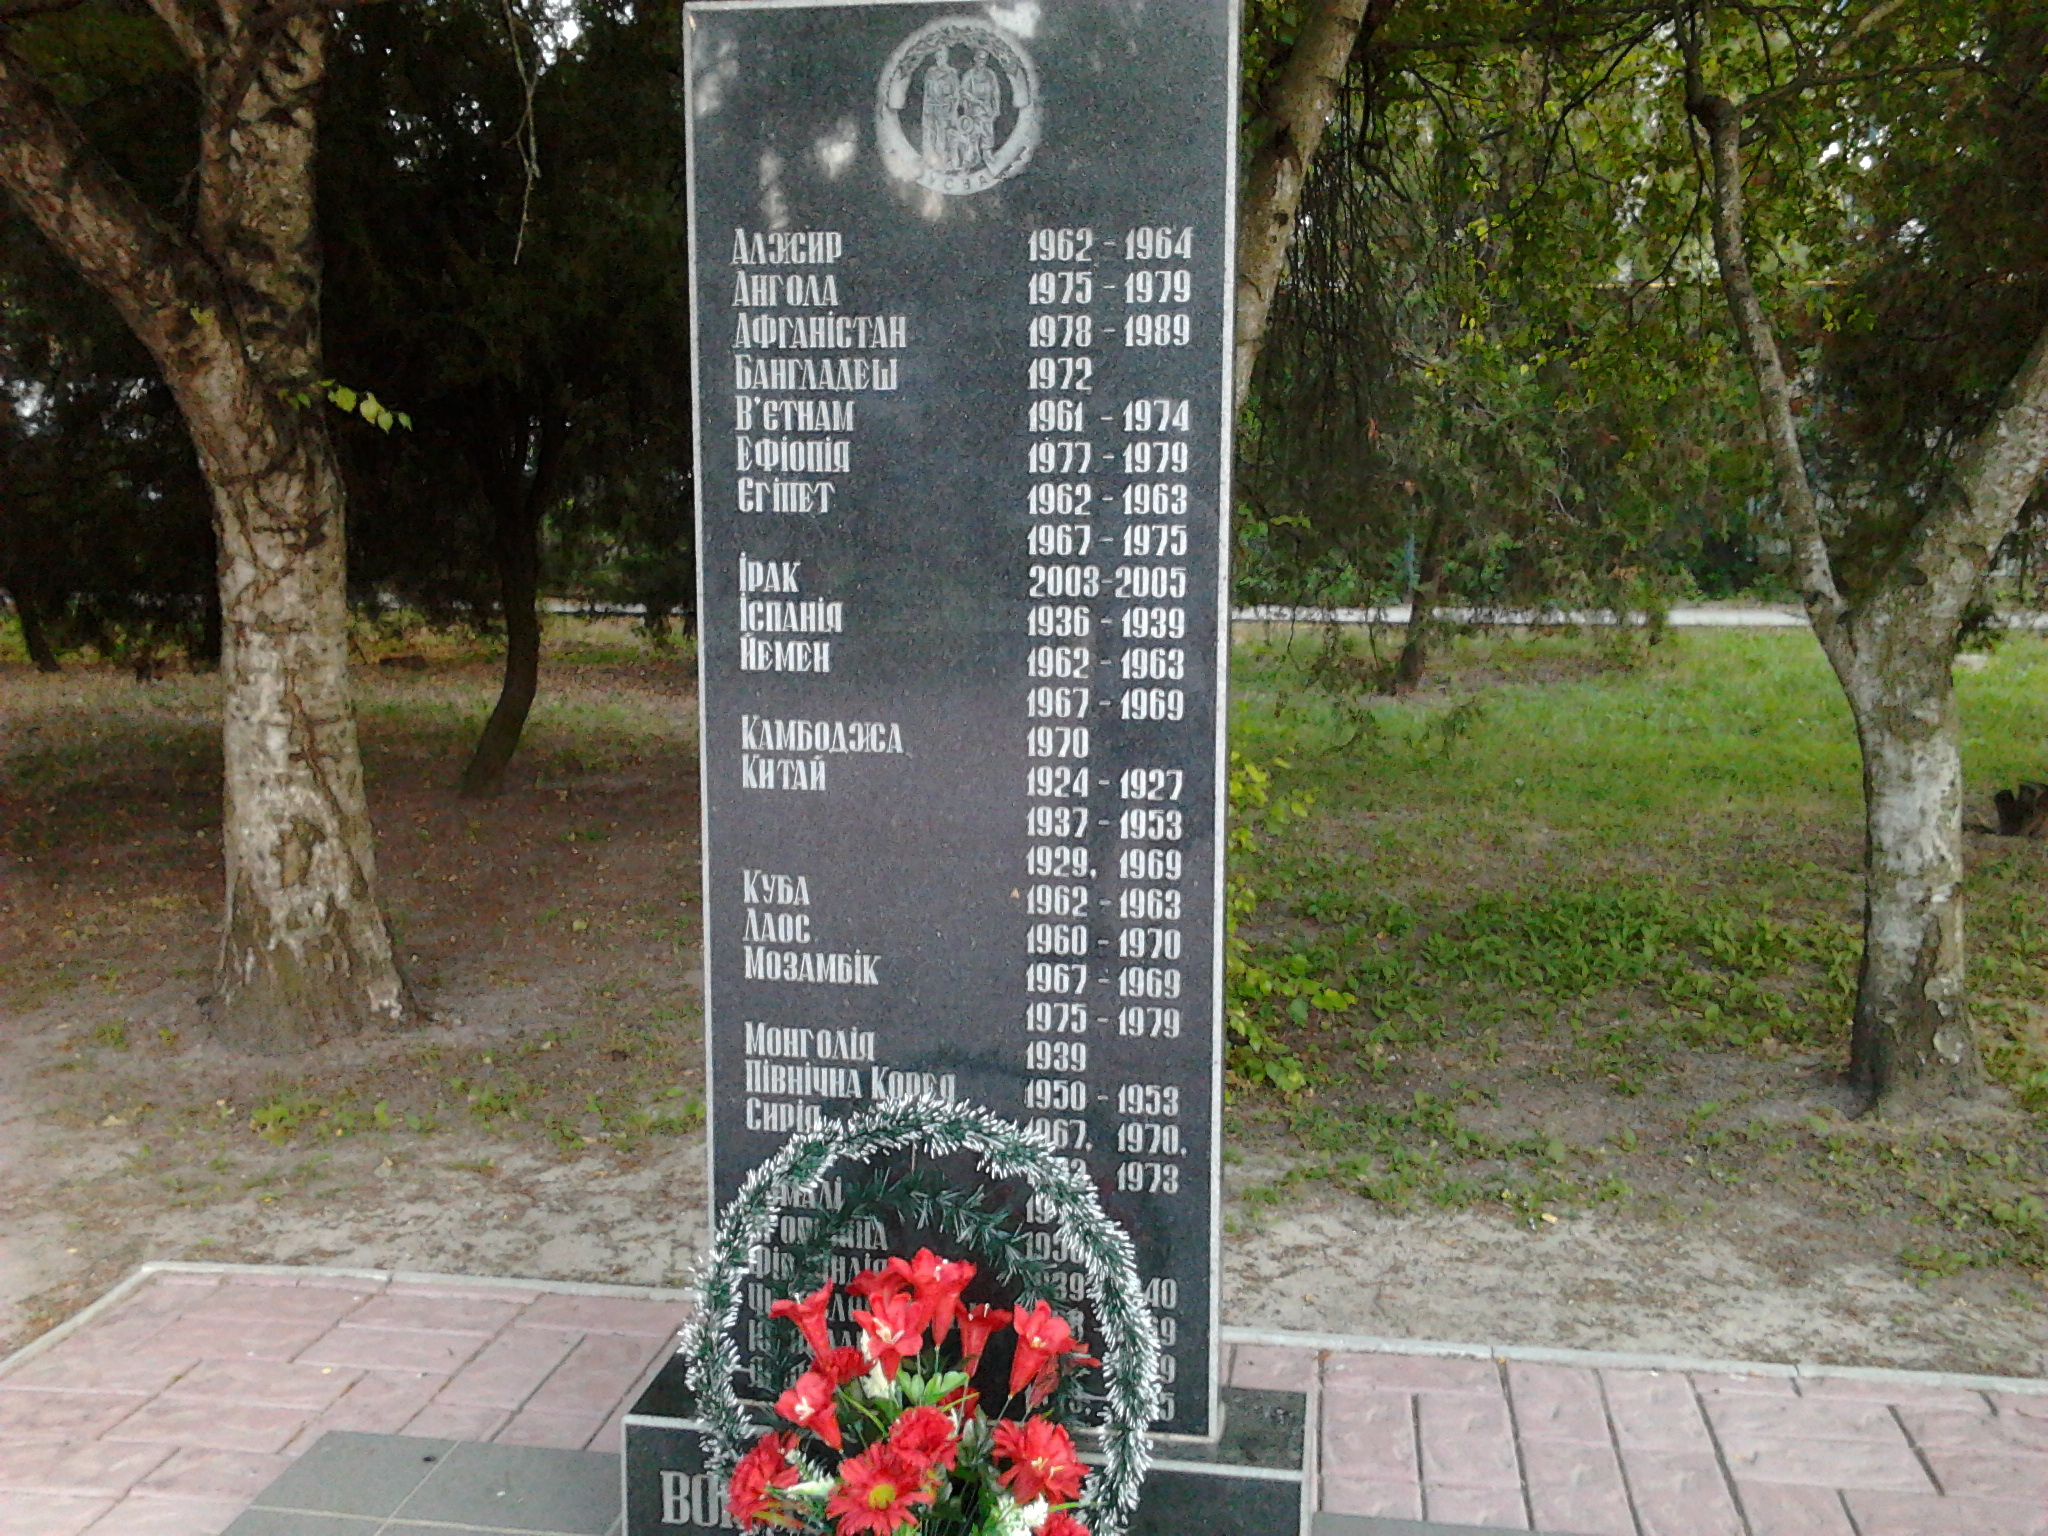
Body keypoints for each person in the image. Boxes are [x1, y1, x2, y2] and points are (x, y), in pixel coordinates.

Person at [921, 48, 961, 172]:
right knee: (930, 134)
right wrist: (925, 110)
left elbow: (956, 94)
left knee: (943, 136)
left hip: (944, 109)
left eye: (942, 57)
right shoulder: (930, 72)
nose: (939, 60)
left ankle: (943, 162)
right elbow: (926, 93)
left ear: (946, 57)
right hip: (931, 108)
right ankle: (929, 161)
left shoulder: (951, 73)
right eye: (937, 57)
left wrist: (953, 110)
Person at [960, 49, 1000, 170]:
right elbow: (962, 91)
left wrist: (996, 108)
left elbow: (995, 92)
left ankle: (987, 155)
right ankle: (970, 158)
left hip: (986, 110)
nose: (981, 62)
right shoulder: (969, 74)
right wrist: (973, 100)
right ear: (975, 59)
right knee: (972, 135)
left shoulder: (990, 75)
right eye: (979, 59)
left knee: (987, 132)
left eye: (984, 59)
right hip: (973, 111)